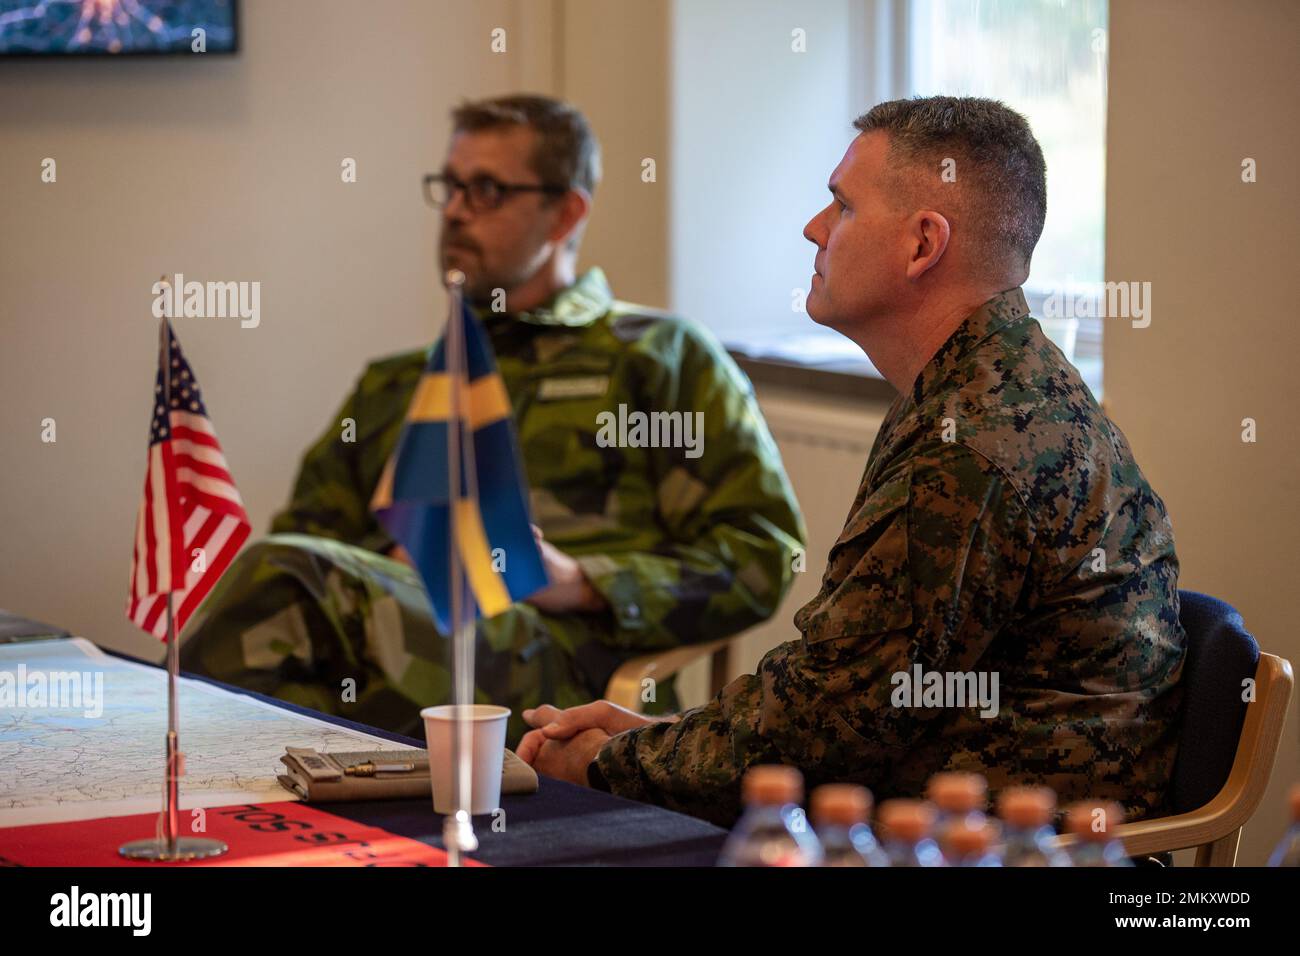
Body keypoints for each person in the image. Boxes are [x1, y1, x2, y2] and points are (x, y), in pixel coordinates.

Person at [516, 95, 1187, 828]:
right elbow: (839, 695)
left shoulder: (973, 445)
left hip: (997, 847)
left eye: (840, 205)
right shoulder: (984, 386)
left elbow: (824, 732)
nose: (813, 227)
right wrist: (658, 739)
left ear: (923, 244)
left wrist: (603, 766)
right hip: (928, 815)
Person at [179, 95, 806, 745]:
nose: (453, 210)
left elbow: (763, 554)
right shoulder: (397, 384)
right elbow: (312, 543)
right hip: (405, 650)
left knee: (285, 587)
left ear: (566, 212)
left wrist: (583, 582)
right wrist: (399, 564)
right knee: (283, 661)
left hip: (567, 663)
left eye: (485, 190)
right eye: (449, 187)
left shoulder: (658, 355)